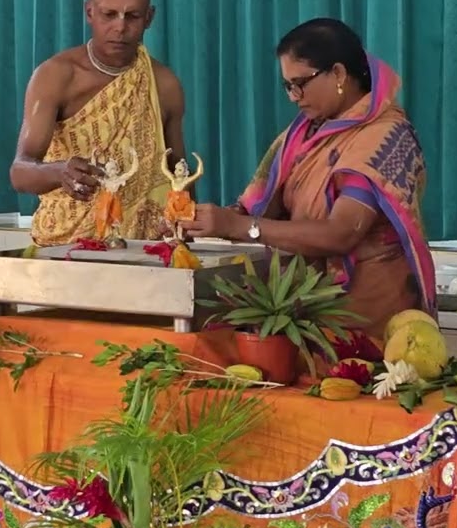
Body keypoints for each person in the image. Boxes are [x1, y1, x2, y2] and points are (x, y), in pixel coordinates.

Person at [180, 18, 436, 337]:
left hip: (370, 318)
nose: (293, 96)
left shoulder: (384, 135)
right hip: (307, 312)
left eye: (300, 83)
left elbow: (341, 233)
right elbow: (256, 211)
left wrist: (237, 227)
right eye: (287, 86)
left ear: (339, 74)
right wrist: (203, 222)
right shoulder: (304, 133)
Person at [10, 0, 187, 246]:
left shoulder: (164, 84)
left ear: (149, 18)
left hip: (143, 251)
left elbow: (180, 175)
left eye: (132, 16)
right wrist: (59, 171)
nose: (120, 27)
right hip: (66, 249)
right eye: (109, 14)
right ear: (89, 12)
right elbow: (20, 172)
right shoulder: (56, 76)